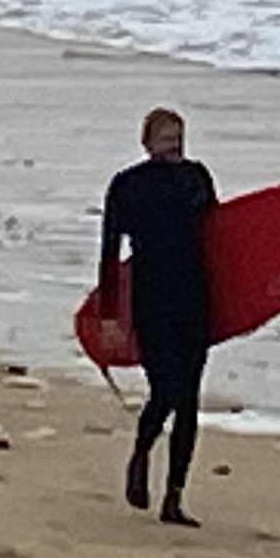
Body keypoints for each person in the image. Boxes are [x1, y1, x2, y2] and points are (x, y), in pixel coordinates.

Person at [98, 106, 219, 525]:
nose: (175, 146)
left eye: (180, 138)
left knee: (188, 403)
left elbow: (222, 241)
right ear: (147, 144)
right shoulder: (128, 186)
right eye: (167, 139)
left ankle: (174, 498)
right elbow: (110, 252)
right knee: (165, 388)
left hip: (195, 300)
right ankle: (141, 452)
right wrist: (109, 314)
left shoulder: (197, 178)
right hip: (151, 300)